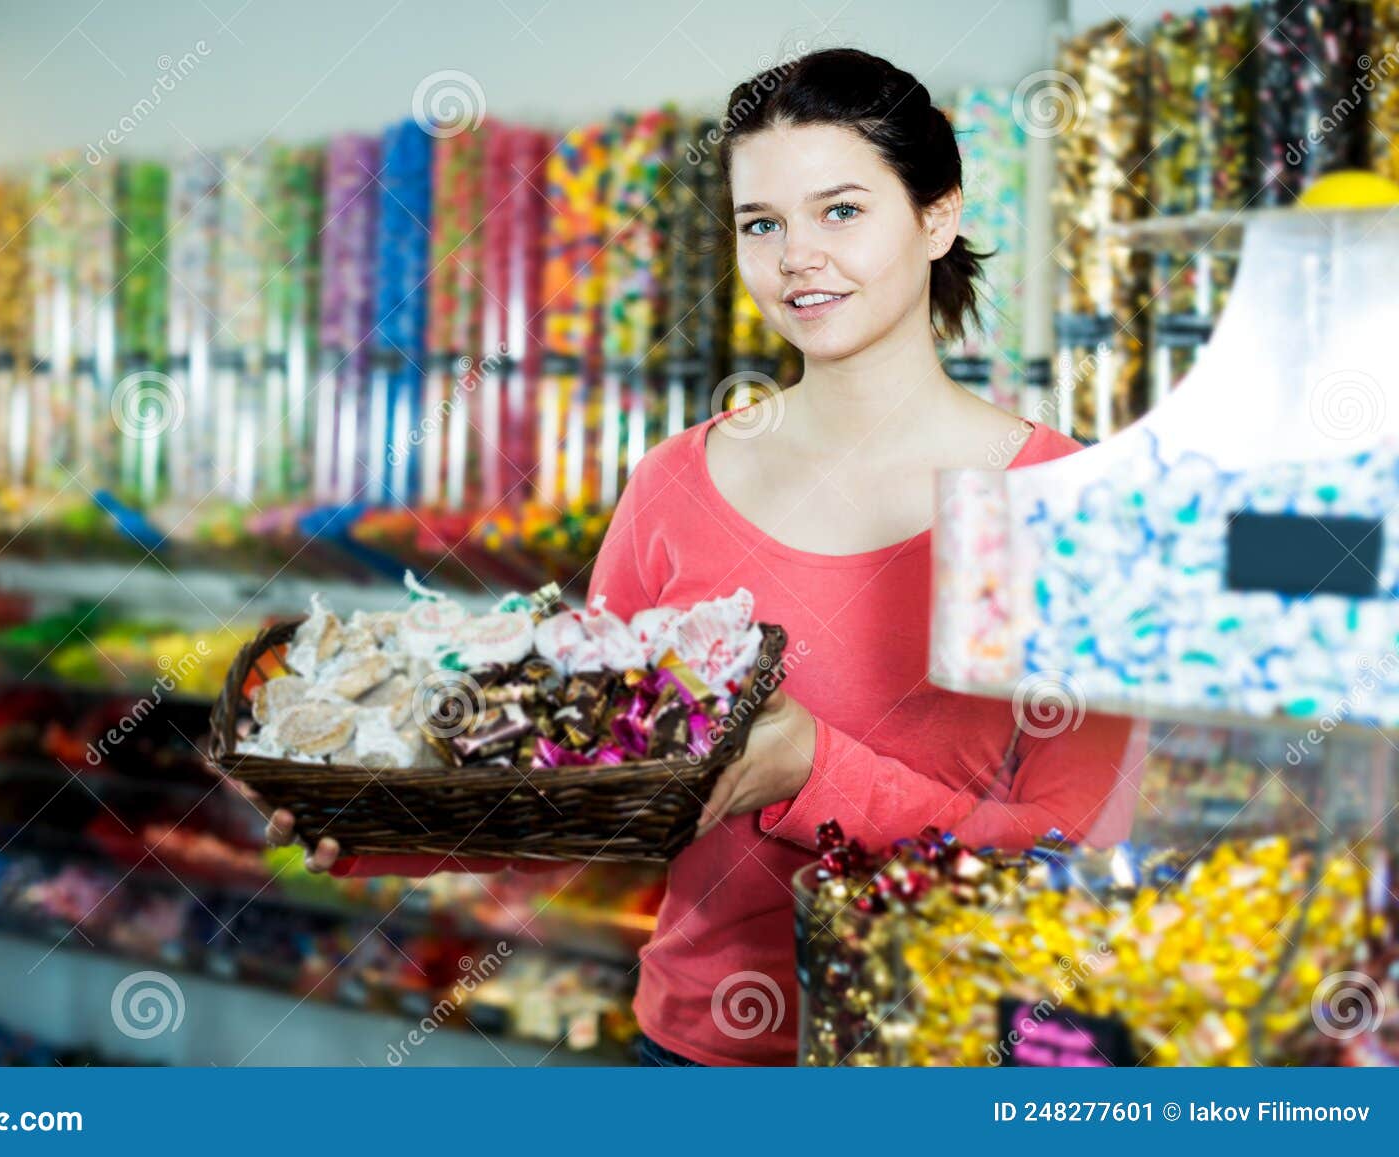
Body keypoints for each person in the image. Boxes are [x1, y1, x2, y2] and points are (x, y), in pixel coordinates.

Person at [266, 46, 1135, 1066]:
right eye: (760, 222)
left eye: (841, 210)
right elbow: (593, 769)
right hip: (693, 1052)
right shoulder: (674, 481)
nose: (796, 255)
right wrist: (391, 819)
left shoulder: (1063, 503)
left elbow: (1072, 856)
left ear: (937, 216)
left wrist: (814, 769)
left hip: (942, 1056)